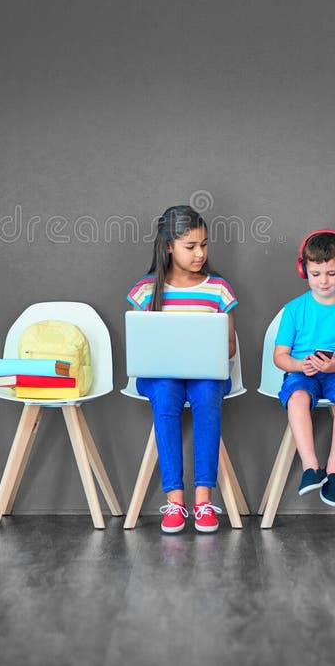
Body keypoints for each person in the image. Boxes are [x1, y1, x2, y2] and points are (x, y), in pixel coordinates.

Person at [127, 204, 238, 533]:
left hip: (206, 376)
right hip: (160, 377)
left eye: (203, 244)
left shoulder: (218, 289)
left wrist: (208, 349)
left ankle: (203, 501)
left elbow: (230, 347)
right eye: (190, 246)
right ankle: (175, 500)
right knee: (165, 394)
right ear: (168, 247)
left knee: (207, 396)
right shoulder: (146, 290)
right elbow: (139, 346)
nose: (200, 253)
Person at [273, 228, 335, 507]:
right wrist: (299, 365)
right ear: (304, 271)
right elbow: (280, 357)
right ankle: (311, 467)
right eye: (316, 274)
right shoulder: (294, 309)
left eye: (331, 273)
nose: (324, 281)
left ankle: (334, 471)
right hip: (302, 373)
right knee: (297, 396)